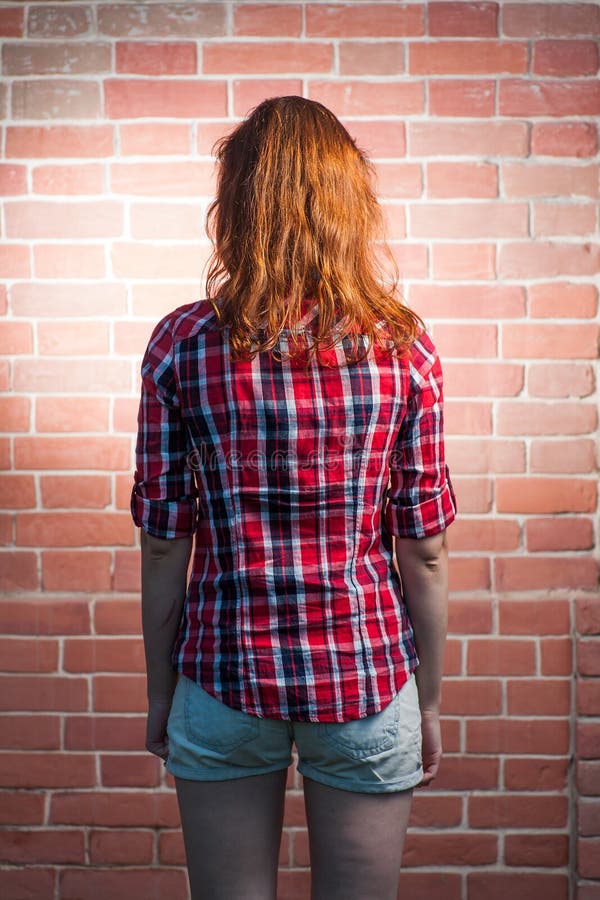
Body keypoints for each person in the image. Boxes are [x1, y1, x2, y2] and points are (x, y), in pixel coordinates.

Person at [130, 95, 456, 900]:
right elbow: (426, 548)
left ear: (237, 205)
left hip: (221, 673)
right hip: (367, 677)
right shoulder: (403, 349)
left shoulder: (183, 344)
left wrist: (160, 693)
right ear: (350, 205)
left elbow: (166, 540)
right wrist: (433, 699)